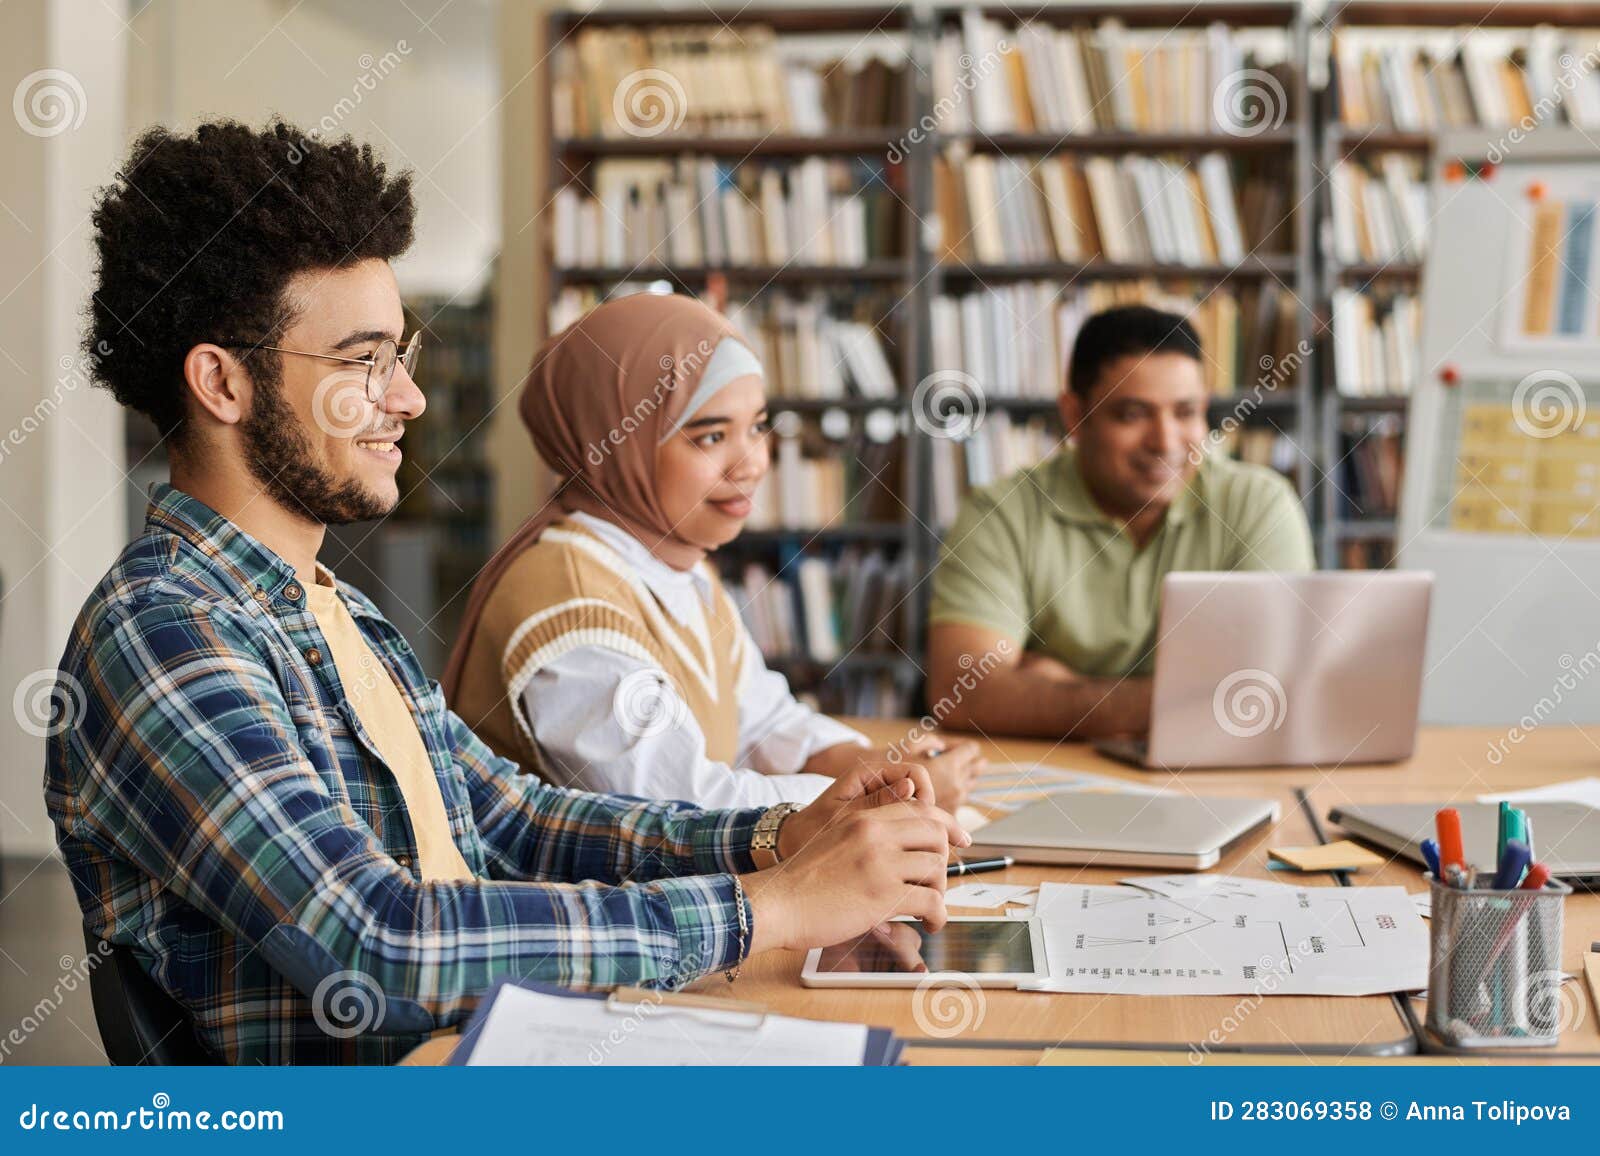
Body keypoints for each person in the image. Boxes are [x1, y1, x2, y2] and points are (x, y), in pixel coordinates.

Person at [44, 119, 966, 1065]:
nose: (408, 398)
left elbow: (514, 822)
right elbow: (381, 943)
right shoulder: (164, 635)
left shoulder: (338, 612)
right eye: (365, 361)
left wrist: (780, 835)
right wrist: (769, 906)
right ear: (223, 384)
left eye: (399, 356)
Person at [444, 293, 984, 810]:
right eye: (710, 437)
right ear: (618, 443)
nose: (751, 463)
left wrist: (879, 765)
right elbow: (684, 811)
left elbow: (764, 723)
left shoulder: (675, 567)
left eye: (757, 426)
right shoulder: (568, 604)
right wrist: (874, 795)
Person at [926, 304, 1315, 740]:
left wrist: (1054, 685)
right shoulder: (1000, 514)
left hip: (1210, 775)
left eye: (1185, 412)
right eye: (1131, 414)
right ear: (1075, 416)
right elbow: (961, 695)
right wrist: (1185, 699)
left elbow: (1279, 691)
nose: (1165, 442)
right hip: (1047, 781)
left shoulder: (1259, 504)